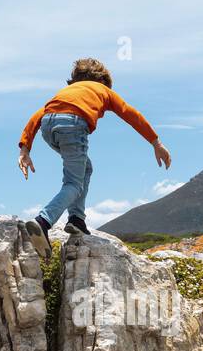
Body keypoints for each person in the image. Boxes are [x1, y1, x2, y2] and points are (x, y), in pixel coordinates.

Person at [17, 57, 171, 256]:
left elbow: (38, 116)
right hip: (73, 125)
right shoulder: (103, 90)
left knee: (85, 168)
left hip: (49, 127)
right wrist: (155, 142)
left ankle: (76, 219)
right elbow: (130, 113)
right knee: (74, 183)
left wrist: (25, 148)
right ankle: (43, 221)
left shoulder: (66, 92)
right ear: (103, 81)